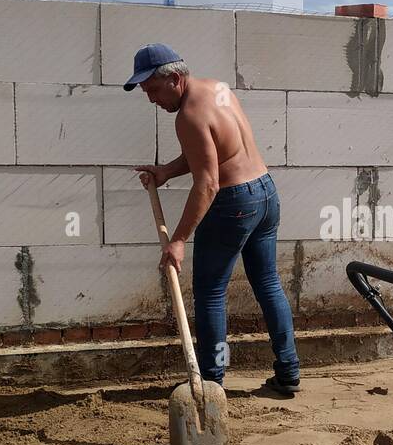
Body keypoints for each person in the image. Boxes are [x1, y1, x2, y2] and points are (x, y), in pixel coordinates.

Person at [125, 43, 301, 396]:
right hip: (265, 193)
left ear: (175, 78)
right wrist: (166, 172)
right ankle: (289, 371)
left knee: (210, 293)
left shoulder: (188, 115)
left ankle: (210, 379)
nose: (151, 100)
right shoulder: (217, 89)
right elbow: (212, 150)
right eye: (146, 92)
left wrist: (177, 240)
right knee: (268, 283)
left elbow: (208, 183)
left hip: (233, 203)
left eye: (154, 90)